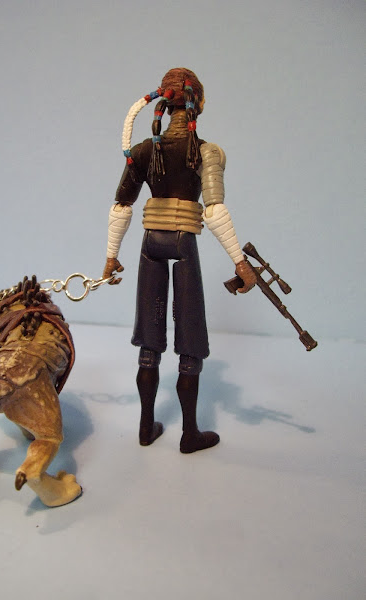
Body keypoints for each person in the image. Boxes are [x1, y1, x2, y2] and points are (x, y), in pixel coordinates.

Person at [103, 68, 256, 453]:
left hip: (149, 244)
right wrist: (240, 263)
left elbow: (122, 206)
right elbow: (215, 210)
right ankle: (189, 433)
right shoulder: (207, 152)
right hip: (184, 241)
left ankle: (145, 427)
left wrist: (110, 257)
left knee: (149, 336)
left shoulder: (143, 150)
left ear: (164, 101)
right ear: (198, 103)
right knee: (190, 335)